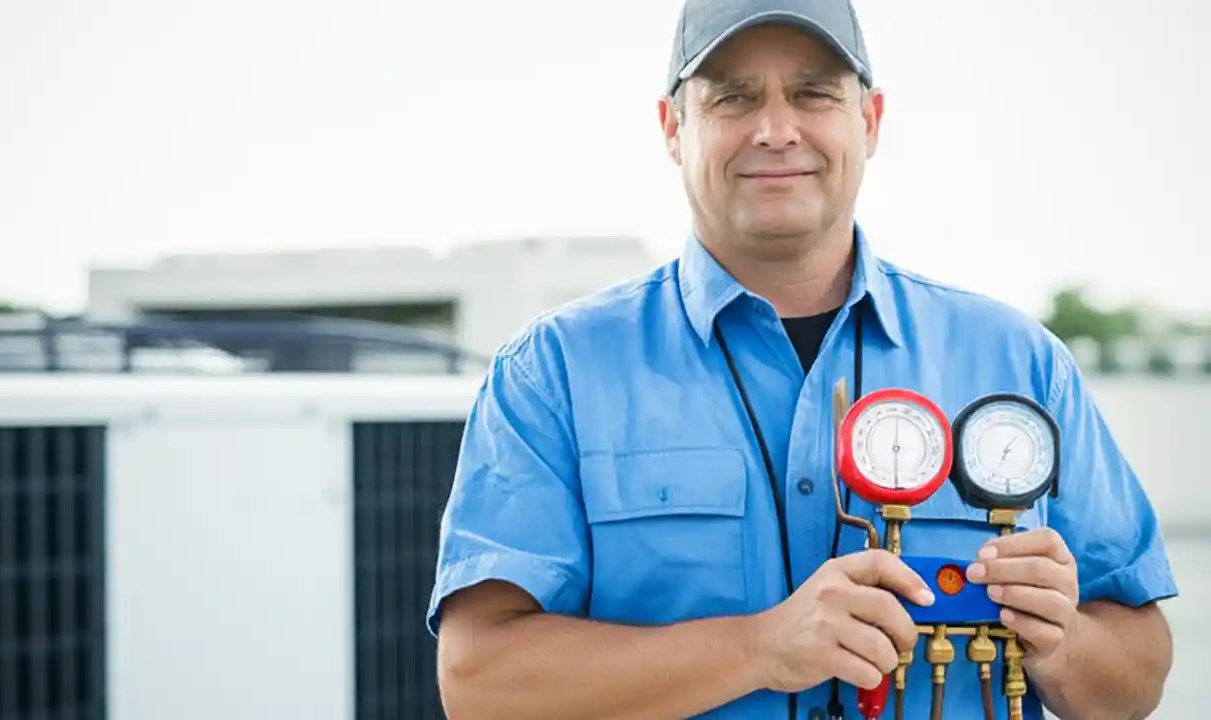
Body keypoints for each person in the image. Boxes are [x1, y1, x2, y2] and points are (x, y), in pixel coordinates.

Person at [425, 0, 1178, 717]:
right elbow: (480, 685)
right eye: (733, 98)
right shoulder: (554, 373)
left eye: (814, 93)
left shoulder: (1021, 363)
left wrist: (1062, 641)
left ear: (870, 121)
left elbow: (1137, 681)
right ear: (673, 128)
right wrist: (759, 649)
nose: (776, 130)